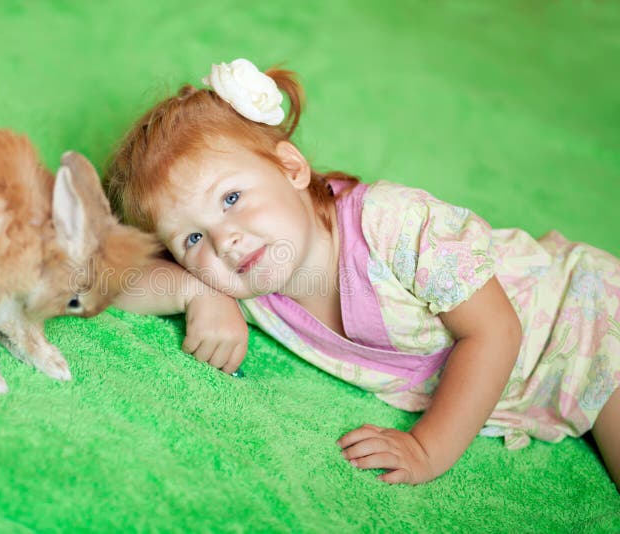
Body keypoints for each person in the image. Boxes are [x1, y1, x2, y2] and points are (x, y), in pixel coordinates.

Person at [104, 58, 620, 488]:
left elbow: (495, 330)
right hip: (551, 378)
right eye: (193, 238)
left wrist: (426, 448)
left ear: (291, 168)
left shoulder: (394, 226)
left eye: (232, 198)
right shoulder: (244, 278)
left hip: (586, 319)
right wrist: (198, 294)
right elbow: (107, 277)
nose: (225, 240)